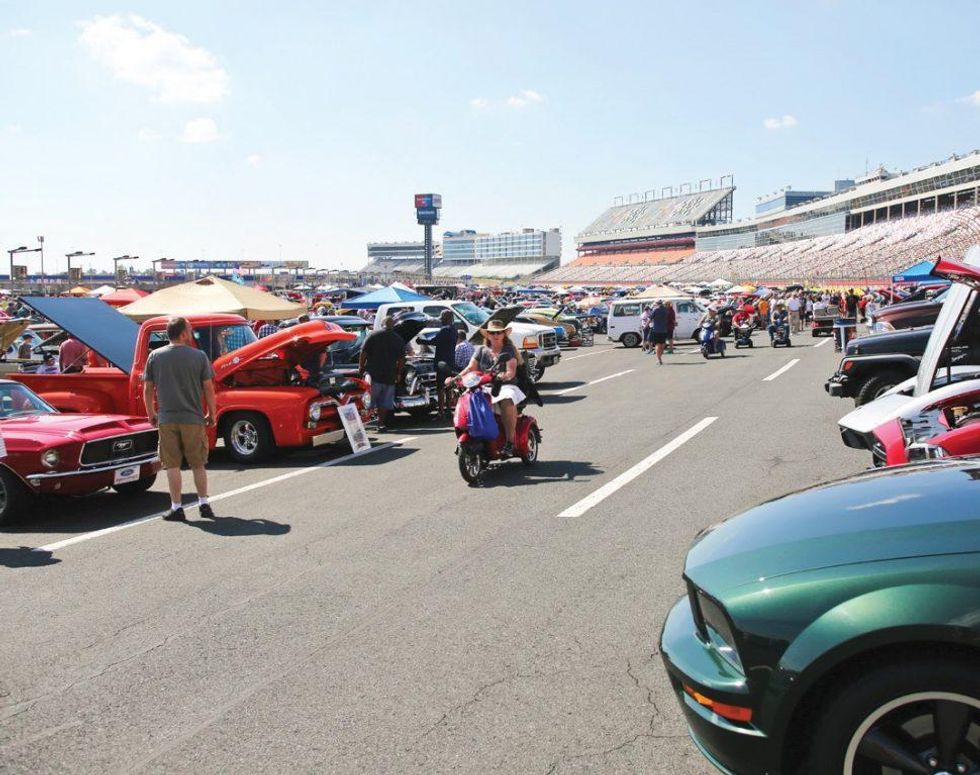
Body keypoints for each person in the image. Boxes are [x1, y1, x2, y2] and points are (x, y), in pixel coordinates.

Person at [142, 316, 216, 522]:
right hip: (193, 417)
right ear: (183, 333)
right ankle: (204, 504)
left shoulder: (155, 356)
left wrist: (151, 413)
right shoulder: (199, 356)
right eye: (190, 330)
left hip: (167, 417)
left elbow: (147, 388)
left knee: (172, 465)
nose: (192, 334)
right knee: (198, 463)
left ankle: (176, 507)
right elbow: (208, 387)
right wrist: (212, 412)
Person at [451, 319, 525, 457]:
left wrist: (503, 376)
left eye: (498, 332)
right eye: (492, 332)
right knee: (466, 399)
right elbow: (470, 368)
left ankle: (509, 442)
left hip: (504, 385)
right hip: (483, 385)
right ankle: (470, 434)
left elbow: (511, 370)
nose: (495, 335)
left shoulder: (508, 350)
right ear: (488, 335)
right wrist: (455, 378)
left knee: (507, 399)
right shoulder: (481, 350)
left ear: (504, 334)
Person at [358, 316, 404, 432]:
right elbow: (402, 359)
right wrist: (398, 373)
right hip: (389, 375)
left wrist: (361, 367)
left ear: (382, 324)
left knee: (369, 400)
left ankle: (366, 423)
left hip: (373, 374)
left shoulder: (373, 335)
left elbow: (363, 352)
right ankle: (380, 424)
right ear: (393, 325)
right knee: (384, 402)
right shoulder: (398, 338)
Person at [432, 310, 457, 417]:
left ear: (446, 318)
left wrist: (420, 341)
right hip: (451, 360)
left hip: (441, 361)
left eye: (442, 318)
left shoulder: (444, 330)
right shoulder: (454, 330)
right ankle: (448, 409)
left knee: (440, 387)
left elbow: (434, 341)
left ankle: (441, 411)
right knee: (448, 386)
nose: (441, 320)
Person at [650, 299, 669, 365]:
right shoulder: (665, 310)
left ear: (657, 303)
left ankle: (659, 360)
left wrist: (646, 325)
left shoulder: (655, 309)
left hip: (657, 329)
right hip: (664, 329)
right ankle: (660, 357)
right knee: (662, 344)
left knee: (657, 345)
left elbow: (650, 318)